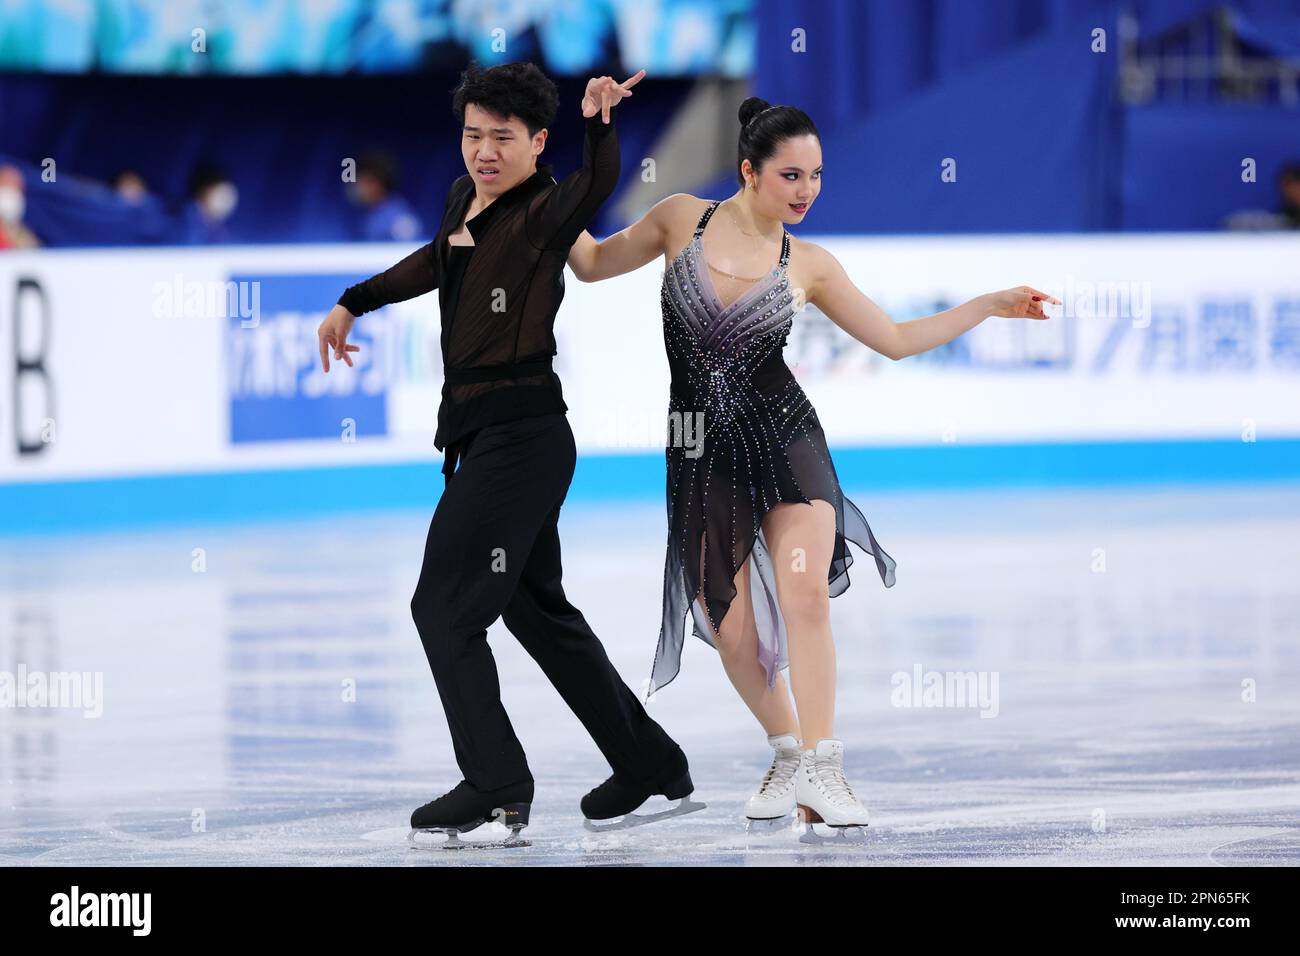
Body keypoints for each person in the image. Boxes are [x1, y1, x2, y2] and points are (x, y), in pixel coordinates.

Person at [566, 95, 1059, 833]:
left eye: (817, 175)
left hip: (787, 440)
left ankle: (826, 770)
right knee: (728, 627)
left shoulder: (812, 264)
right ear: (749, 171)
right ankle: (788, 751)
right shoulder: (679, 221)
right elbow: (589, 263)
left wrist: (988, 304)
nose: (807, 190)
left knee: (805, 599)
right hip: (699, 449)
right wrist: (544, 188)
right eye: (791, 175)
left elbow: (895, 340)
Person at [316, 61, 694, 842]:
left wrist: (600, 122)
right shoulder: (463, 197)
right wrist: (355, 301)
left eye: (503, 137)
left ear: (537, 142)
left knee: (442, 607)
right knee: (537, 613)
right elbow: (435, 262)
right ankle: (649, 763)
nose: (484, 151)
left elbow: (597, 181)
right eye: (473, 135)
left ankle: (496, 784)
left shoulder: (545, 212)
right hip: (489, 437)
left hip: (522, 439)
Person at [348, 150, 424, 242]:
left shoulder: (398, 216)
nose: (357, 187)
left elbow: (411, 246)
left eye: (362, 181)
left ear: (375, 183)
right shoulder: (369, 214)